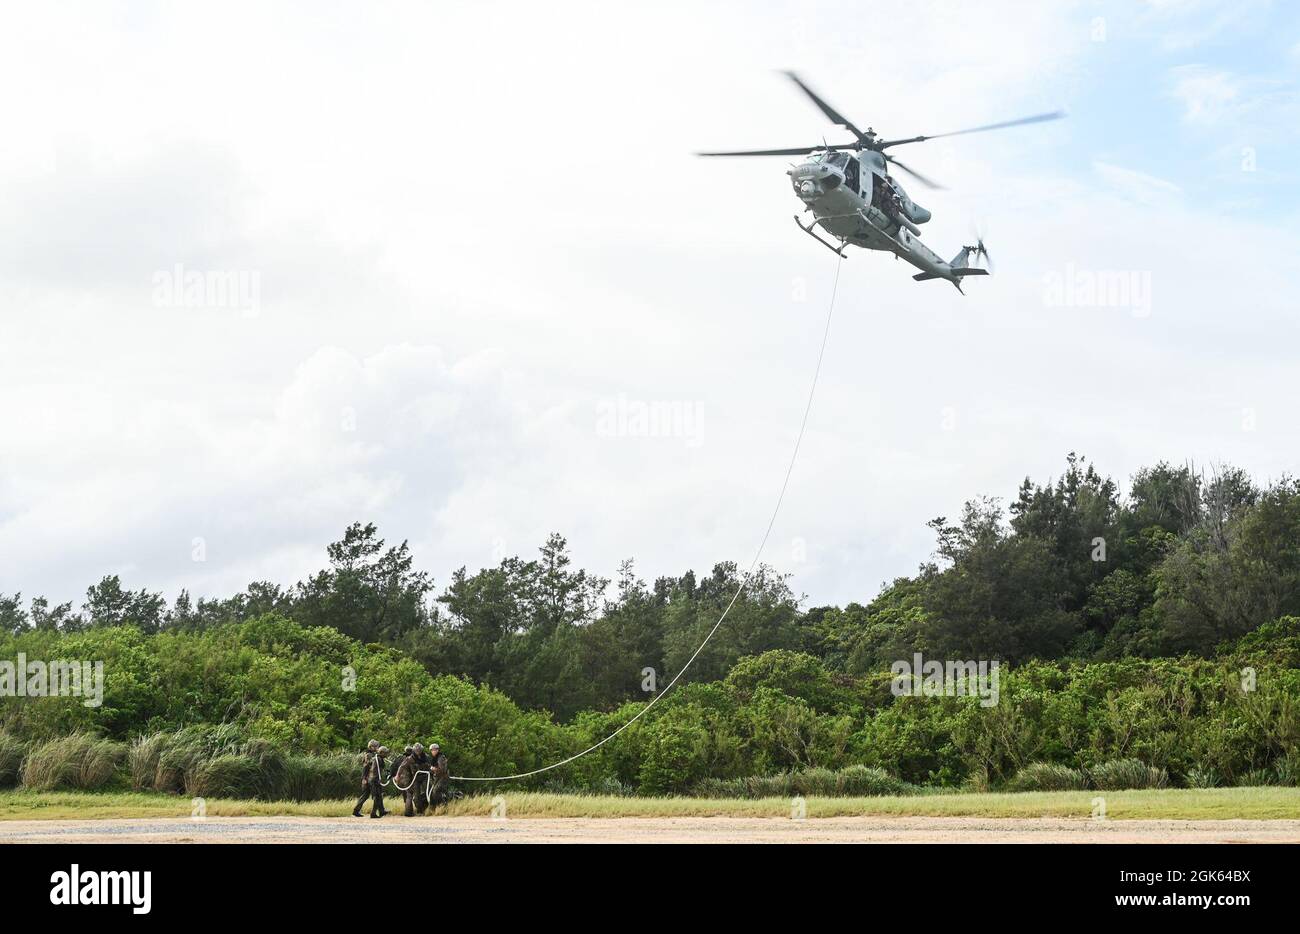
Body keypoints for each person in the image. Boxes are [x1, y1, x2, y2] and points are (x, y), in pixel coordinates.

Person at [352, 740, 389, 818]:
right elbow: (366, 767)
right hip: (369, 778)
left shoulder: (375, 755)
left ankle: (381, 810)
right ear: (371, 747)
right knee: (374, 795)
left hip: (371, 778)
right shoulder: (368, 755)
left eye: (377, 746)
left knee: (370, 795)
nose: (376, 748)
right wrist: (364, 778)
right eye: (375, 746)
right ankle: (374, 812)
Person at [427, 742, 450, 809]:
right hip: (437, 777)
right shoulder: (433, 758)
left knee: (435, 791)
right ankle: (434, 807)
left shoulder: (441, 758)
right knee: (432, 791)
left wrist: (434, 769)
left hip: (443, 777)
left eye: (435, 750)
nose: (433, 751)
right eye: (432, 750)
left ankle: (443, 806)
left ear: (438, 750)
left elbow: (442, 770)